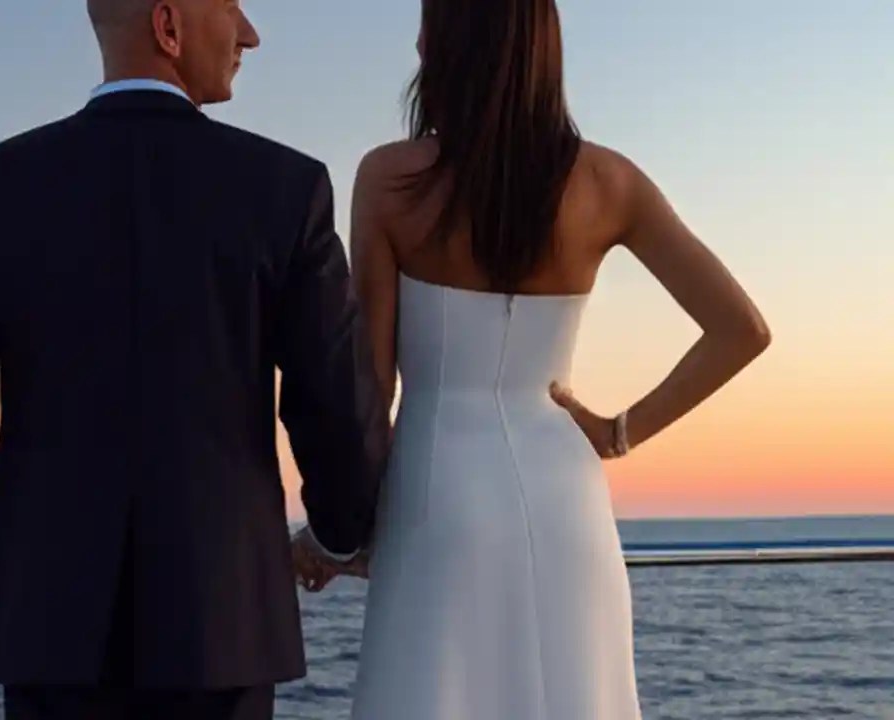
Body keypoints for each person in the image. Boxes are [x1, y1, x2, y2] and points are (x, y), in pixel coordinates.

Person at [0, 0, 391, 718]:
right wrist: (337, 536)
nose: (250, 33)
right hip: (223, 635)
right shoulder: (284, 191)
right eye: (233, 8)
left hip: (49, 637)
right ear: (168, 27)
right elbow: (338, 408)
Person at [292, 0, 772, 718]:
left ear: (448, 42)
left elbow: (372, 389)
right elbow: (742, 329)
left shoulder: (392, 181)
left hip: (436, 500)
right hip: (566, 501)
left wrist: (336, 538)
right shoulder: (610, 184)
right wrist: (619, 431)